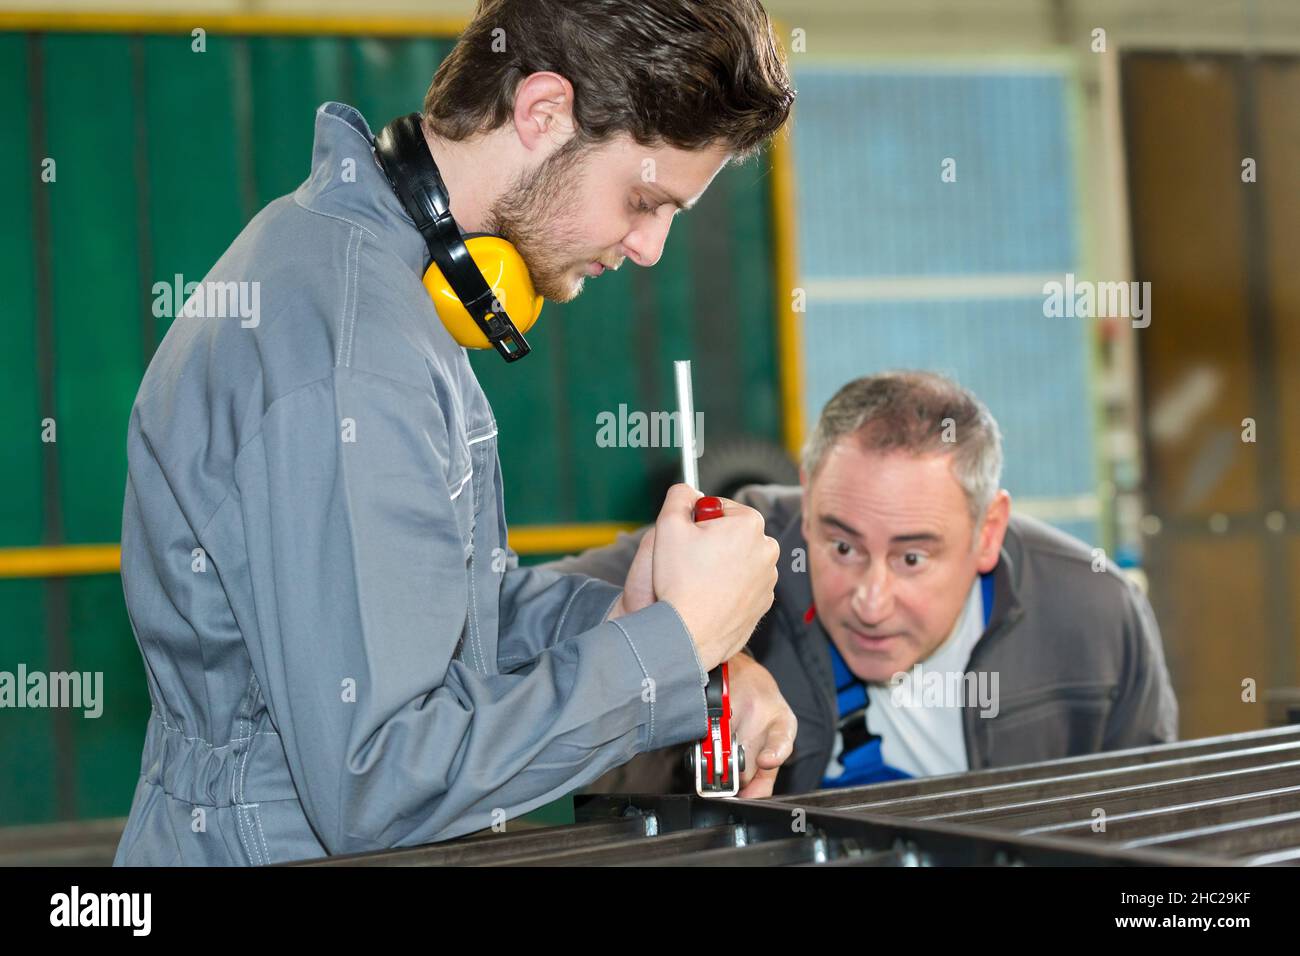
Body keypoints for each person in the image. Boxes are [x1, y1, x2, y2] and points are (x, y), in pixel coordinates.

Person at [114, 0, 797, 865]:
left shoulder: (372, 278)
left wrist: (644, 622)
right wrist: (672, 649)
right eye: (643, 198)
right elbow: (378, 784)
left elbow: (440, 622)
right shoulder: (356, 348)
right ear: (543, 112)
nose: (652, 247)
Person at [549, 371, 1179, 795]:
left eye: (912, 559)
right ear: (809, 491)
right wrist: (699, 650)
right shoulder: (729, 546)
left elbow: (1158, 838)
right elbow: (503, 627)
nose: (870, 603)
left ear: (988, 533)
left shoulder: (1097, 614)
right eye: (842, 545)